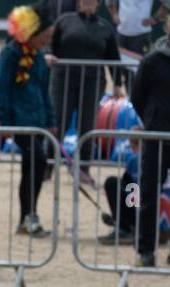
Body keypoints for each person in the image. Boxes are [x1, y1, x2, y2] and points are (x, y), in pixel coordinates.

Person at [129, 7, 170, 266]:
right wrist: (151, 121)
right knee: (149, 197)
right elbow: (137, 97)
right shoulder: (150, 61)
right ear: (165, 28)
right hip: (156, 139)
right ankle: (145, 252)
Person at [0, 5, 58, 238]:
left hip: (38, 122)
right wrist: (6, 121)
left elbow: (45, 91)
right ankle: (28, 216)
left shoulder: (39, 57)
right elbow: (2, 89)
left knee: (32, 167)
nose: (48, 40)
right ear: (33, 32)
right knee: (38, 163)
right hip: (21, 122)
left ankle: (27, 217)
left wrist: (50, 120)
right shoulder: (11, 53)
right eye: (46, 36)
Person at [50, 0, 122, 167]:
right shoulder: (64, 21)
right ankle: (48, 166)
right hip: (63, 81)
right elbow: (49, 46)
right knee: (57, 124)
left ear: (98, 4)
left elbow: (113, 58)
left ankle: (83, 169)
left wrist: (117, 83)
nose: (88, 2)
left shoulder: (105, 27)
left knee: (87, 127)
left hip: (92, 83)